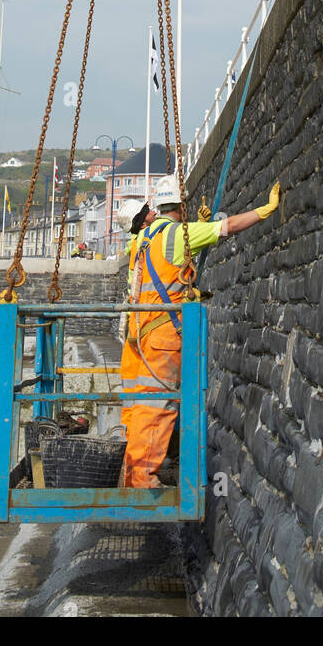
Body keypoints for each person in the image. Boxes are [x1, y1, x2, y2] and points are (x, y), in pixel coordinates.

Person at [118, 175, 280, 487]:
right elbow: (229, 226)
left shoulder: (142, 239)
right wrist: (265, 210)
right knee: (157, 405)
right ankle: (140, 478)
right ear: (181, 204)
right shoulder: (179, 234)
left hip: (141, 330)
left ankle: (132, 468)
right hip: (164, 332)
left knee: (140, 405)